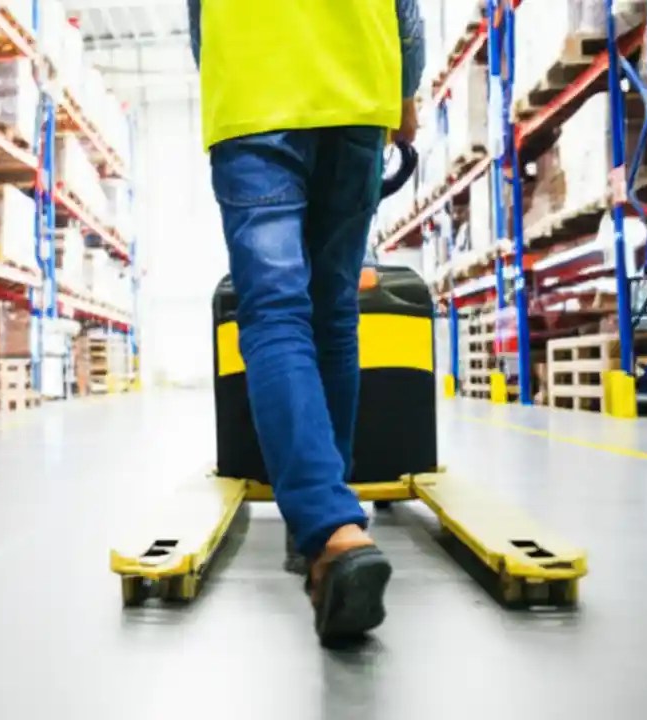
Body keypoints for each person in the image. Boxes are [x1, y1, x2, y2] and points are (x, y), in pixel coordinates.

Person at [188, 0, 426, 644]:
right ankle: (326, 515)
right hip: (356, 90)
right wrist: (404, 90)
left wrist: (220, 75)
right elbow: (406, 9)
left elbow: (198, 17)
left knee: (274, 313)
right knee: (334, 311)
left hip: (253, 96)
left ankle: (327, 526)